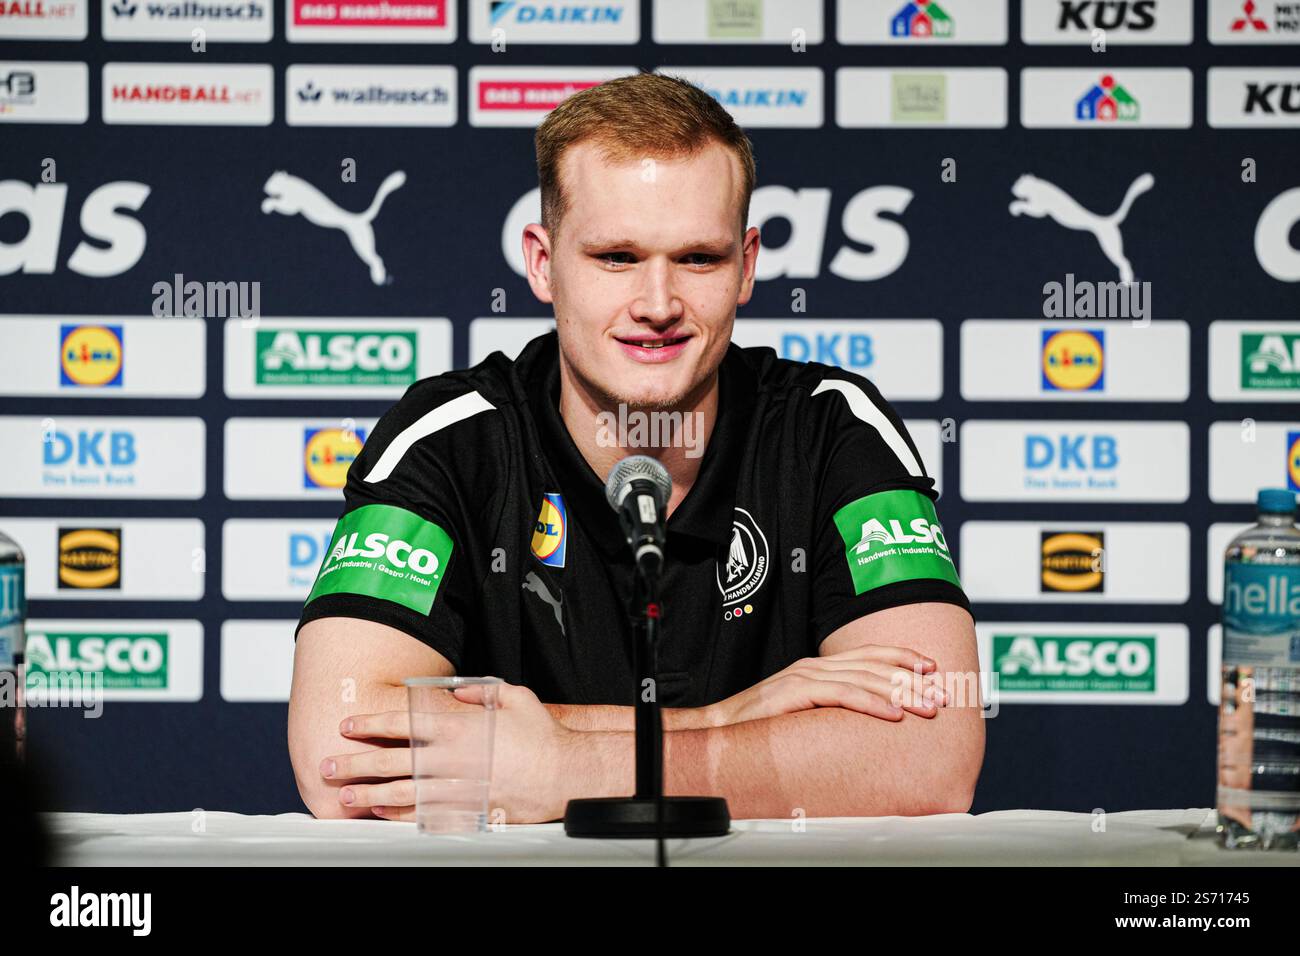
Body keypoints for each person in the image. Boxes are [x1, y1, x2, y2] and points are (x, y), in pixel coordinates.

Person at [288, 71, 984, 823]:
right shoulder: (450, 440)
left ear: (748, 265)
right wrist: (735, 716)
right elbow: (343, 760)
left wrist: (566, 764)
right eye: (616, 257)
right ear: (542, 262)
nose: (658, 306)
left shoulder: (831, 428)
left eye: (699, 258)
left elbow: (931, 757)